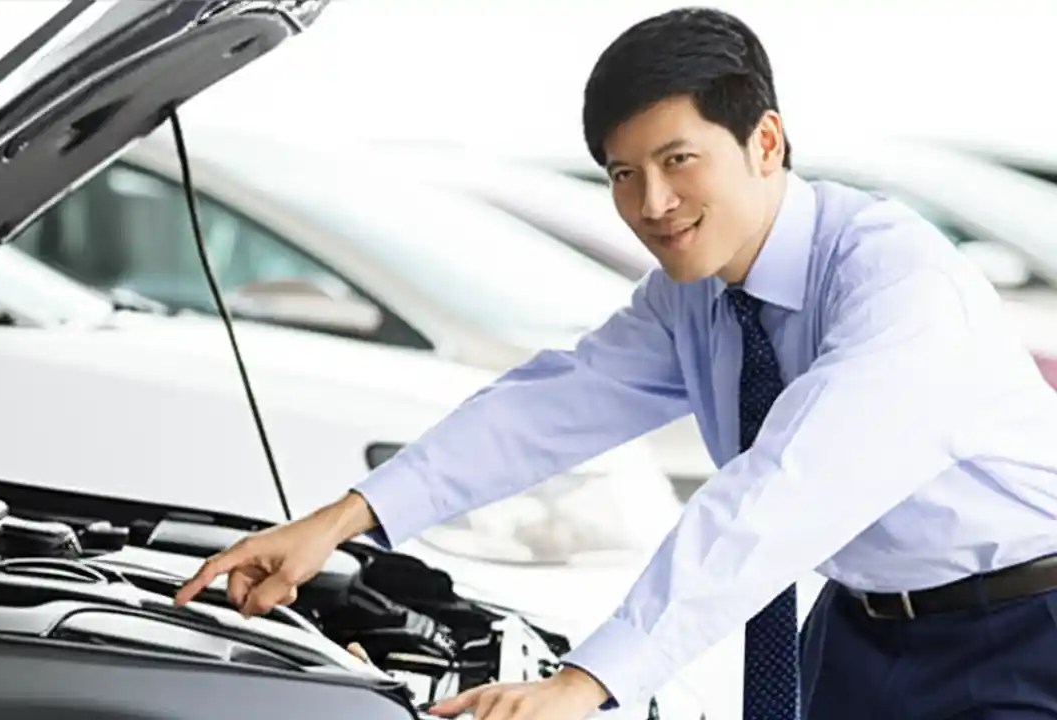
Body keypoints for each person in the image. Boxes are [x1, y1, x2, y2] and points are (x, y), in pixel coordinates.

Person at [175, 7, 1057, 720]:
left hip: (1023, 631)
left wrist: (585, 682)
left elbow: (784, 491)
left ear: (765, 142)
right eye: (622, 174)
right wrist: (339, 522)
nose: (652, 204)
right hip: (862, 629)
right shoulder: (695, 293)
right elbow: (552, 405)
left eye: (678, 161)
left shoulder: (898, 285)